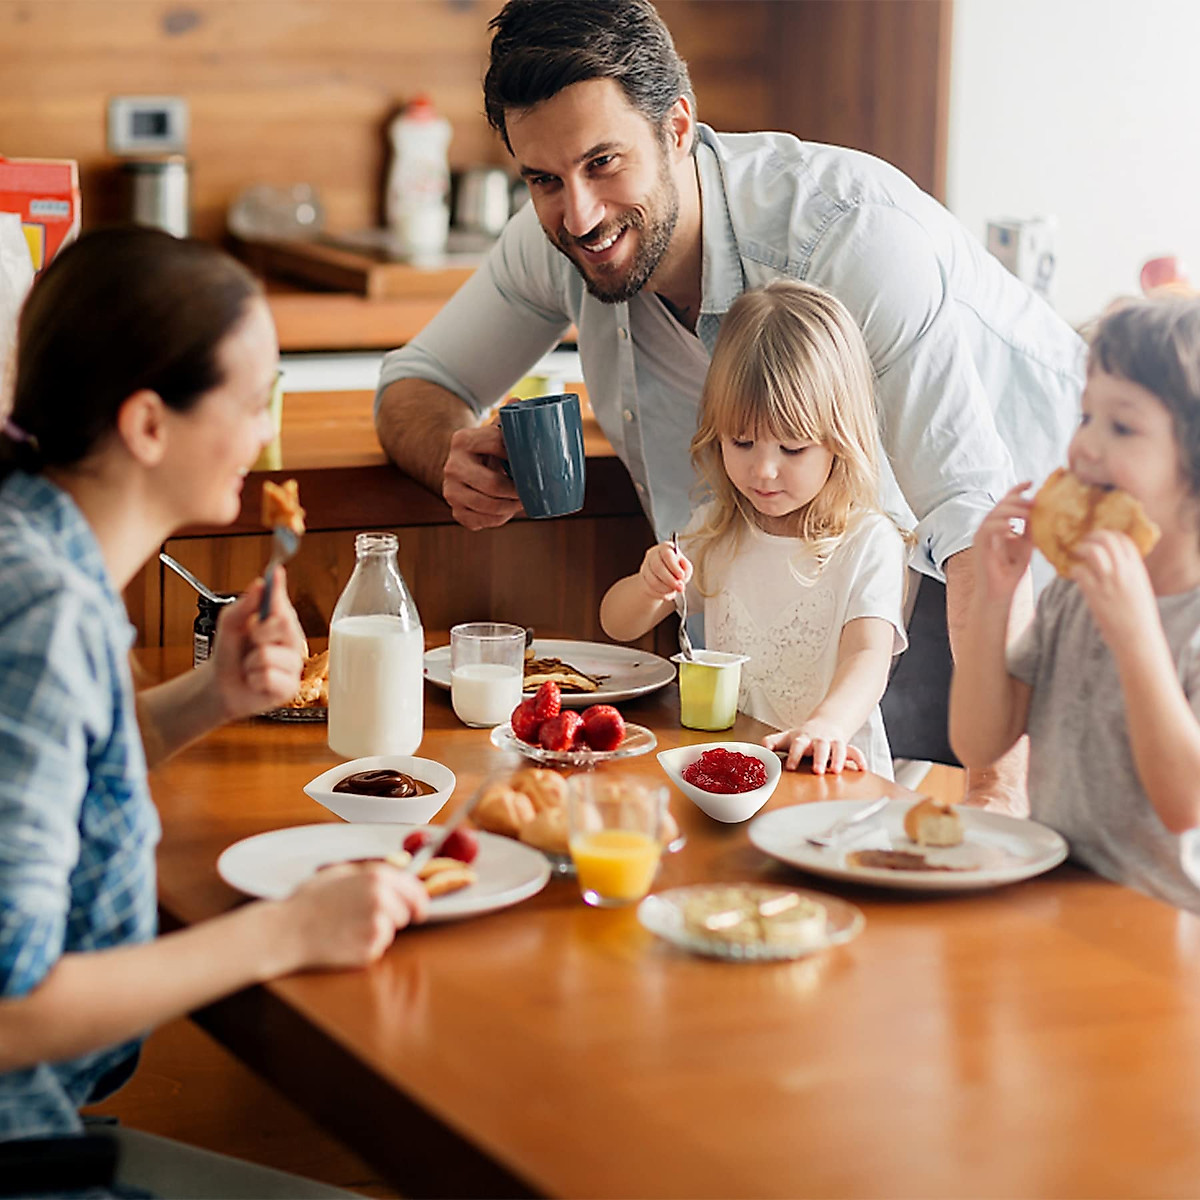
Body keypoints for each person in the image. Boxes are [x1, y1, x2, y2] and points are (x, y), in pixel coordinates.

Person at [374, 0, 1085, 808]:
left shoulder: (851, 238)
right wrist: (447, 455)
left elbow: (975, 523)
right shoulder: (563, 235)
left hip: (1051, 555)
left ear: (677, 127)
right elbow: (416, 381)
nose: (578, 215)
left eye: (605, 162)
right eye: (544, 179)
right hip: (817, 645)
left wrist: (996, 805)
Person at [0, 227, 428, 1192]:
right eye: (250, 398)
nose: (264, 432)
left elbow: (45, 771)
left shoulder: (33, 539)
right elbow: (9, 1010)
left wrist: (210, 697)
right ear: (148, 424)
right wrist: (284, 933)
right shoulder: (45, 609)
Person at [949, 299, 1200, 913]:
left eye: (1122, 426)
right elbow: (979, 743)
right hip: (1057, 896)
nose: (1084, 444)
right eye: (1086, 415)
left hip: (1163, 929)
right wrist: (994, 600)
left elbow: (1184, 804)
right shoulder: (1074, 589)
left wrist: (1137, 636)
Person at [601, 281, 907, 776]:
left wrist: (827, 724)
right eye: (742, 442)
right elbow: (617, 623)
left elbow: (868, 657)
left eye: (792, 449)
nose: (763, 470)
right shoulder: (721, 532)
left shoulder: (867, 542)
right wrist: (648, 587)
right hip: (739, 773)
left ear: (840, 441)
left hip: (830, 777)